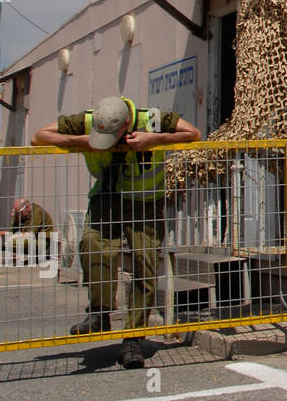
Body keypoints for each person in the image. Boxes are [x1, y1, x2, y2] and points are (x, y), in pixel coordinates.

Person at [32, 95, 200, 367]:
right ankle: (99, 313)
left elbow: (193, 133)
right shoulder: (88, 121)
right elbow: (39, 137)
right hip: (107, 196)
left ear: (126, 125)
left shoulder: (151, 119)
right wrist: (83, 142)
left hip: (145, 202)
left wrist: (152, 140)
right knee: (91, 244)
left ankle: (132, 339)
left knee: (144, 264)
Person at [9, 197, 56, 266]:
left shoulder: (37, 212)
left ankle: (39, 255)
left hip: (43, 241)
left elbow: (30, 234)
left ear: (27, 207)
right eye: (17, 213)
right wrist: (17, 218)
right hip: (31, 239)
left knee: (15, 241)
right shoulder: (23, 214)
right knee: (12, 241)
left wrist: (13, 241)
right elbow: (14, 230)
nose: (18, 215)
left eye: (19, 213)